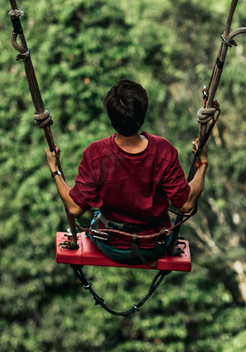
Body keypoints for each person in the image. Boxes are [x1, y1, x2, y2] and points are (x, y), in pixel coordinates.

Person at [45, 78, 208, 264]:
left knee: (98, 217)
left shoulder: (96, 154)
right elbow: (187, 204)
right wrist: (202, 162)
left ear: (112, 118)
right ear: (143, 114)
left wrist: (55, 170)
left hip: (111, 246)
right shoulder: (163, 151)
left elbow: (74, 208)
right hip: (155, 245)